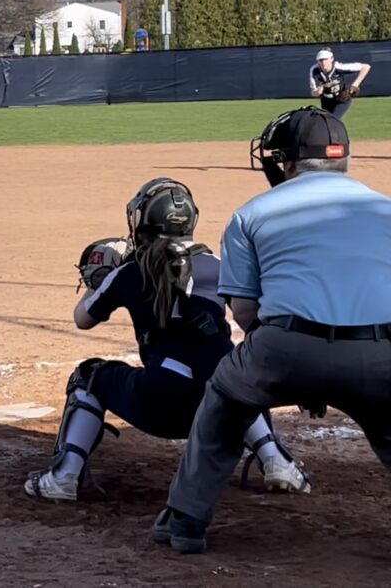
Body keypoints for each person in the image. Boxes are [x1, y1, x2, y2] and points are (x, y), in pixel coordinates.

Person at [155, 107, 391, 554]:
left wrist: (295, 369)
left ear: (287, 163)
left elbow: (245, 312)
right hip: (382, 350)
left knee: (225, 400)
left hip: (285, 346)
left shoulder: (252, 213)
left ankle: (185, 520)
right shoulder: (385, 208)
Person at [25, 178, 307, 502]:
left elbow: (82, 319)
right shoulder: (219, 266)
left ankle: (63, 477)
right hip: (219, 412)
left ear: (145, 221)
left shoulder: (129, 272)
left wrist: (98, 283)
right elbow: (253, 315)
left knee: (88, 375)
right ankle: (277, 462)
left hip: (159, 406)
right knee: (235, 375)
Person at [308, 47, 370, 119]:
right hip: (326, 101)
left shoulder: (338, 67)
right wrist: (318, 91)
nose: (323, 63)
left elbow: (365, 67)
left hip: (341, 99)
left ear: (332, 59)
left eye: (326, 59)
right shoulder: (314, 70)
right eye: (321, 60)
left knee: (333, 120)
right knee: (325, 121)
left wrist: (355, 85)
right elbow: (313, 93)